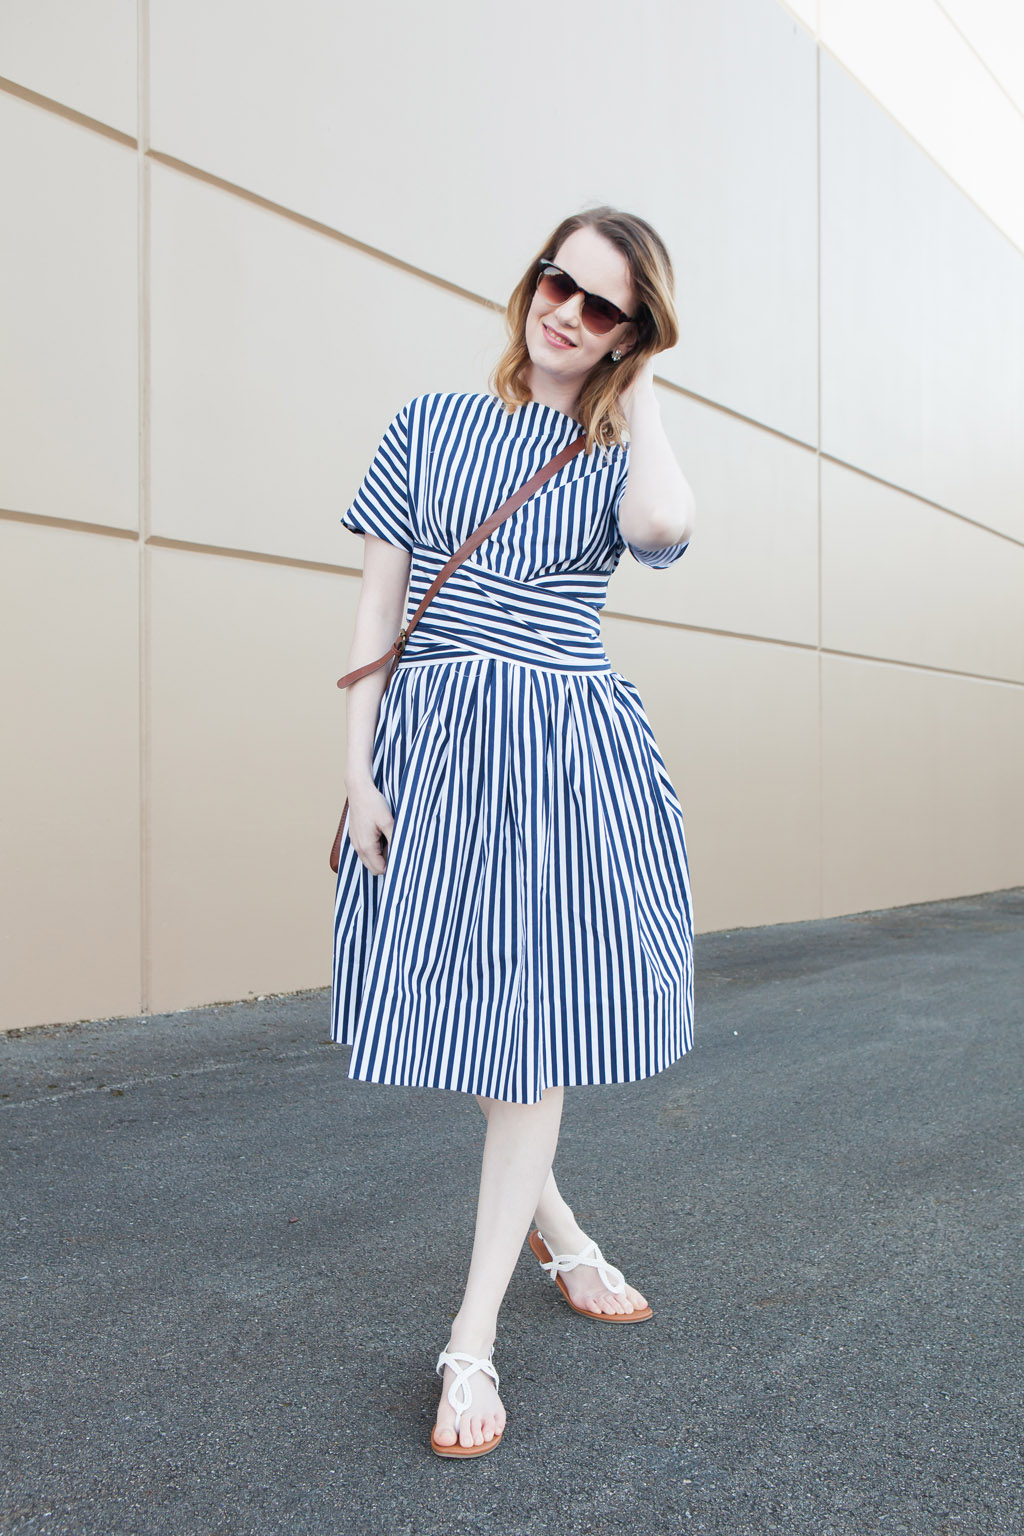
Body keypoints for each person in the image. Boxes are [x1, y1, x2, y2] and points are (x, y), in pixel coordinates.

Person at [330, 205, 696, 1457]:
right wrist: (357, 771)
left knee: (530, 1035)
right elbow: (378, 613)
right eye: (560, 283)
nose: (568, 314)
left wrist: (637, 387)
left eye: (605, 309)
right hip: (433, 755)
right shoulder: (428, 424)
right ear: (531, 282)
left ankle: (469, 1345)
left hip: (565, 768)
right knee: (479, 1024)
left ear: (628, 335)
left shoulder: (612, 455)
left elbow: (659, 530)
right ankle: (568, 1237)